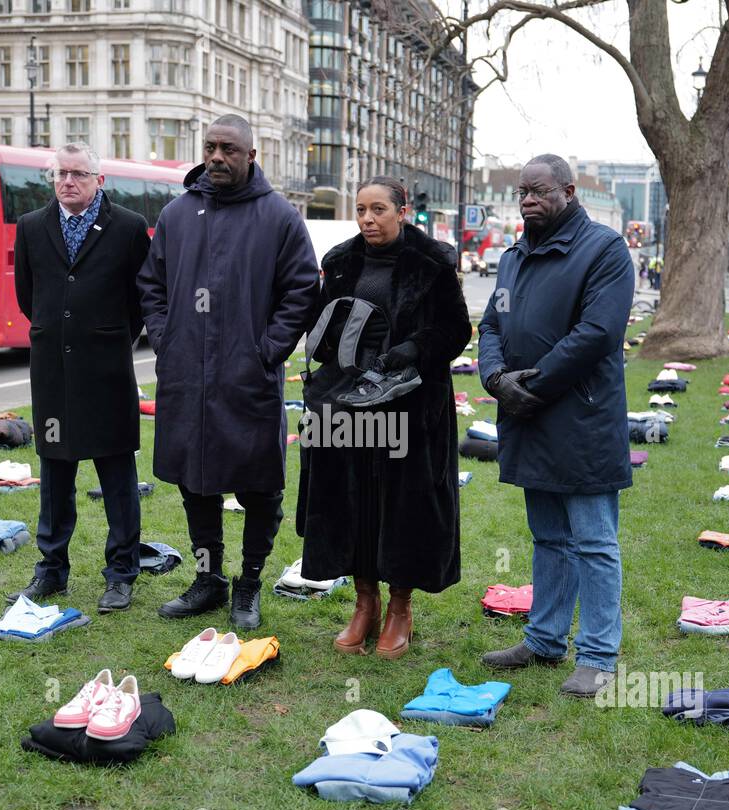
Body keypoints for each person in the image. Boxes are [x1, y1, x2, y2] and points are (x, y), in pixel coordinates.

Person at [138, 114, 320, 631]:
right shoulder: (178, 213)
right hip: (186, 376)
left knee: (260, 488)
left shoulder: (279, 216)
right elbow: (151, 283)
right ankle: (208, 579)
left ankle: (249, 583)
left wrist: (267, 350)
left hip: (247, 377)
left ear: (251, 156)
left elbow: (302, 289)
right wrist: (165, 337)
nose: (217, 157)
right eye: (211, 147)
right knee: (196, 485)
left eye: (229, 150)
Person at [476, 153, 635, 697]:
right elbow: (492, 324)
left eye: (539, 192)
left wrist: (531, 387)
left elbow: (596, 333)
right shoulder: (513, 257)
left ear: (570, 192)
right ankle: (544, 639)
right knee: (548, 537)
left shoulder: (605, 250)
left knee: (593, 541)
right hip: (527, 413)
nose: (527, 201)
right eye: (522, 192)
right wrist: (496, 378)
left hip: (581, 417)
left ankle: (598, 656)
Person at [295, 177, 472, 659]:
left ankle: (399, 608)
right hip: (346, 403)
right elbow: (319, 320)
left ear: (402, 211)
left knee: (401, 506)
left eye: (378, 209)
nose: (368, 219)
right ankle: (364, 603)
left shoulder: (433, 262)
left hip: (410, 405)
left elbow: (457, 329)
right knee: (351, 503)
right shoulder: (339, 261)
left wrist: (412, 349)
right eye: (360, 210)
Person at [10, 143, 150, 613]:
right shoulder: (32, 227)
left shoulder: (128, 228)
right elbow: (28, 295)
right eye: (61, 173)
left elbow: (140, 300)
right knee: (54, 475)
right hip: (52, 370)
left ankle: (121, 573)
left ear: (99, 180)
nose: (68, 181)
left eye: (79, 174)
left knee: (117, 475)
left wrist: (110, 337)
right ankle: (50, 571)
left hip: (107, 369)